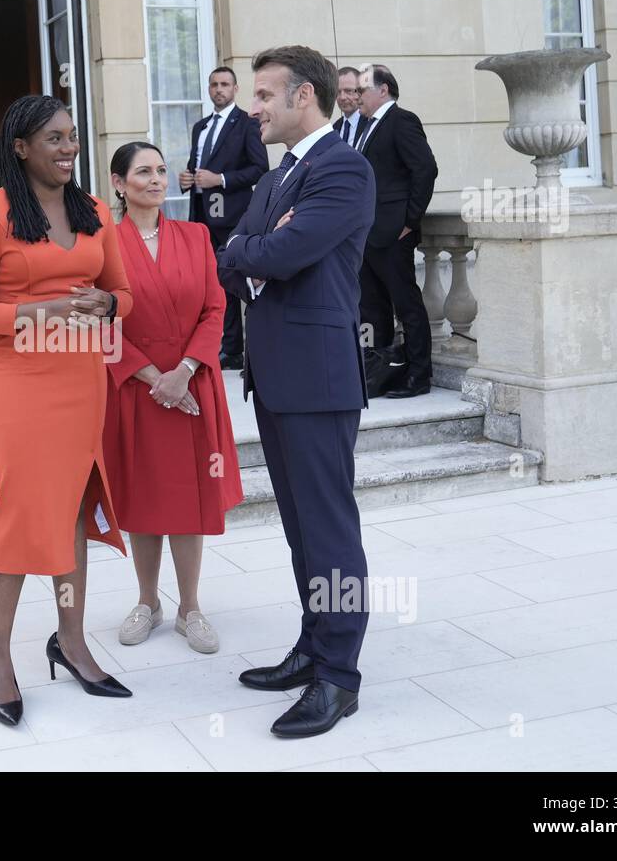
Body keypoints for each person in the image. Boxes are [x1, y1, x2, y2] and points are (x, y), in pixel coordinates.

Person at [0, 95, 135, 727]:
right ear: (21, 148)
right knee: (24, 512)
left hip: (83, 376)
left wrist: (106, 308)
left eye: (73, 137)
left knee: (77, 509)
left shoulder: (95, 210)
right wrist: (44, 311)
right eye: (53, 138)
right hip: (21, 379)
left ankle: (72, 640)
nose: (67, 148)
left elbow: (123, 294)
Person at [217, 45, 376, 739]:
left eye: (262, 95)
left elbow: (274, 253)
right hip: (278, 376)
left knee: (329, 529)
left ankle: (339, 676)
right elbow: (237, 249)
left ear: (302, 96)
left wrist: (257, 251)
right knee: (300, 530)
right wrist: (256, 250)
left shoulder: (342, 166)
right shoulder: (285, 172)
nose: (252, 109)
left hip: (317, 375)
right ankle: (314, 648)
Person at [103, 142, 244, 655]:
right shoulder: (102, 244)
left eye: (162, 170)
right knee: (143, 497)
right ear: (119, 183)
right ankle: (147, 602)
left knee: (188, 496)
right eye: (144, 172)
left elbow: (214, 307)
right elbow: (101, 323)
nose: (158, 179)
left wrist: (182, 372)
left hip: (191, 383)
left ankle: (190, 607)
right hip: (136, 388)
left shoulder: (196, 235)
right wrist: (151, 377)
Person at [355, 63, 439, 398]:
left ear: (383, 89)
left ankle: (419, 376)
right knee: (373, 310)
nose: (356, 96)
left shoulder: (402, 120)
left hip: (392, 234)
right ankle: (380, 374)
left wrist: (410, 221)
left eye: (362, 89)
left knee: (407, 306)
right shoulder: (365, 127)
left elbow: (426, 169)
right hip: (367, 235)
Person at [179, 67, 269, 371]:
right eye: (214, 84)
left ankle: (244, 349)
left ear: (235, 88)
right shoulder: (200, 126)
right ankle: (227, 348)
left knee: (238, 279)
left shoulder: (246, 124)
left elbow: (259, 168)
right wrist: (187, 178)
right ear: (208, 89)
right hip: (202, 215)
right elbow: (197, 166)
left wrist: (220, 179)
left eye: (225, 84)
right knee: (214, 282)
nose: (219, 89)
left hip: (233, 215)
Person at [333, 66, 367, 147]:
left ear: (361, 91)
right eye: (338, 92)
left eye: (348, 91)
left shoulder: (370, 124)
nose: (342, 97)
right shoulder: (335, 127)